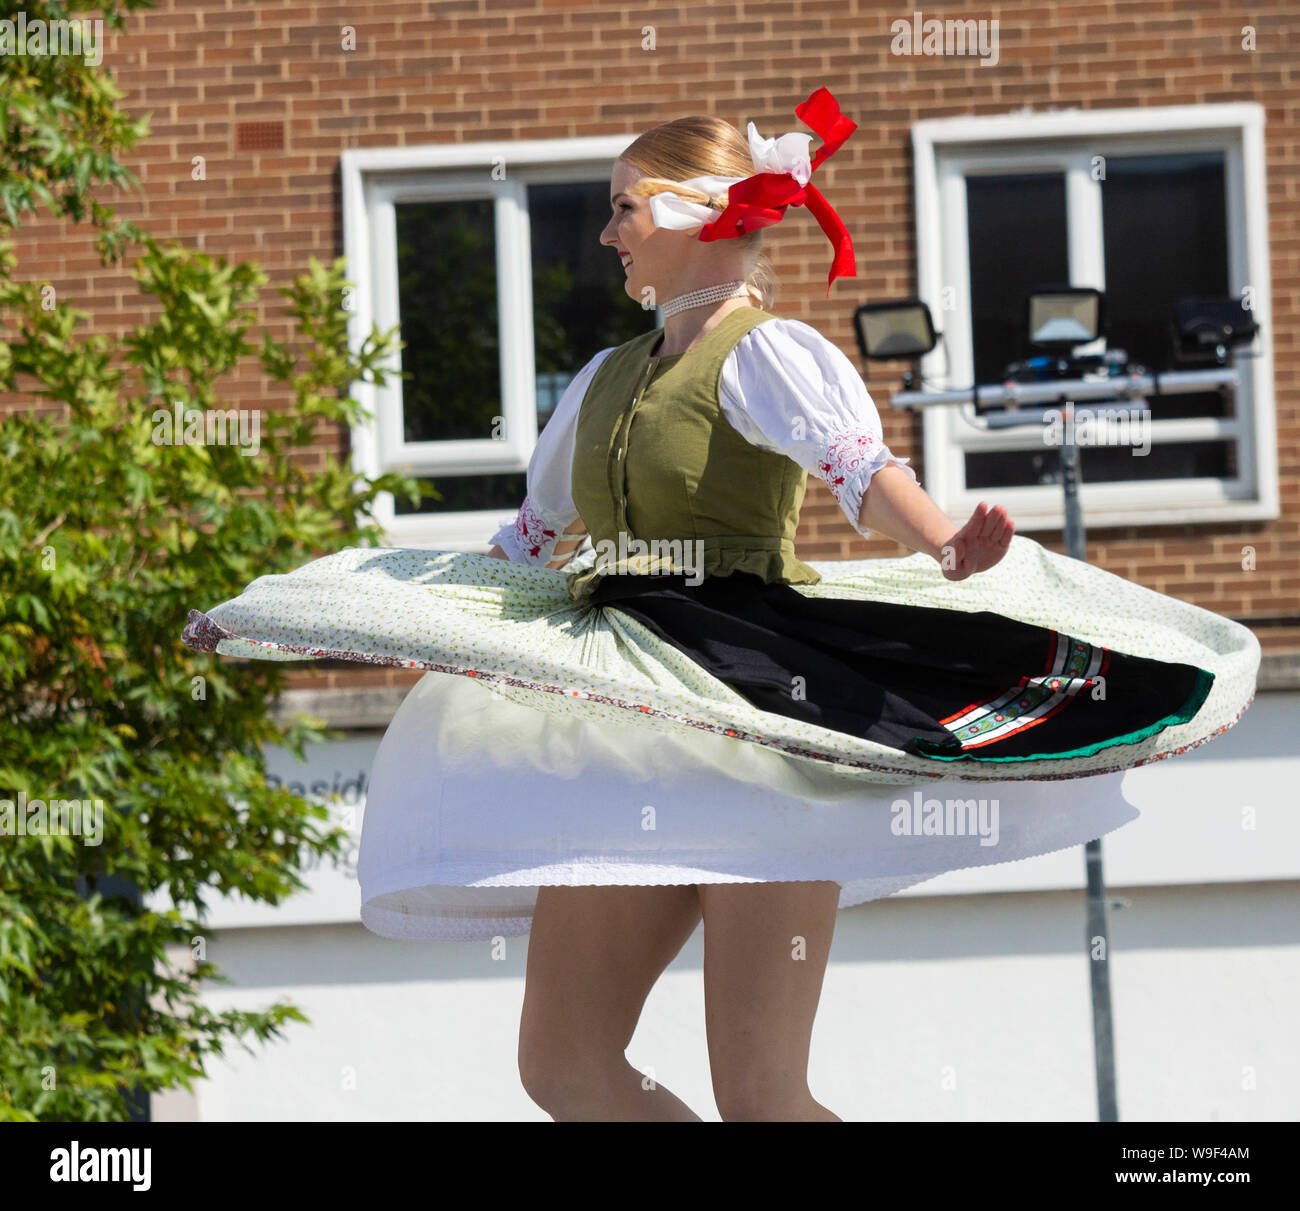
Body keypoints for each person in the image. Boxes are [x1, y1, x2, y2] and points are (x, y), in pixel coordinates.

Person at [181, 89, 1260, 1122]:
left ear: (700, 215)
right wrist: (305, 613)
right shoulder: (601, 379)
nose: (606, 234)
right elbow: (517, 555)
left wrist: (944, 542)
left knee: (761, 1094)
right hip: (620, 717)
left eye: (623, 207)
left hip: (758, 713)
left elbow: (859, 472)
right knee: (563, 1064)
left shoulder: (768, 354)